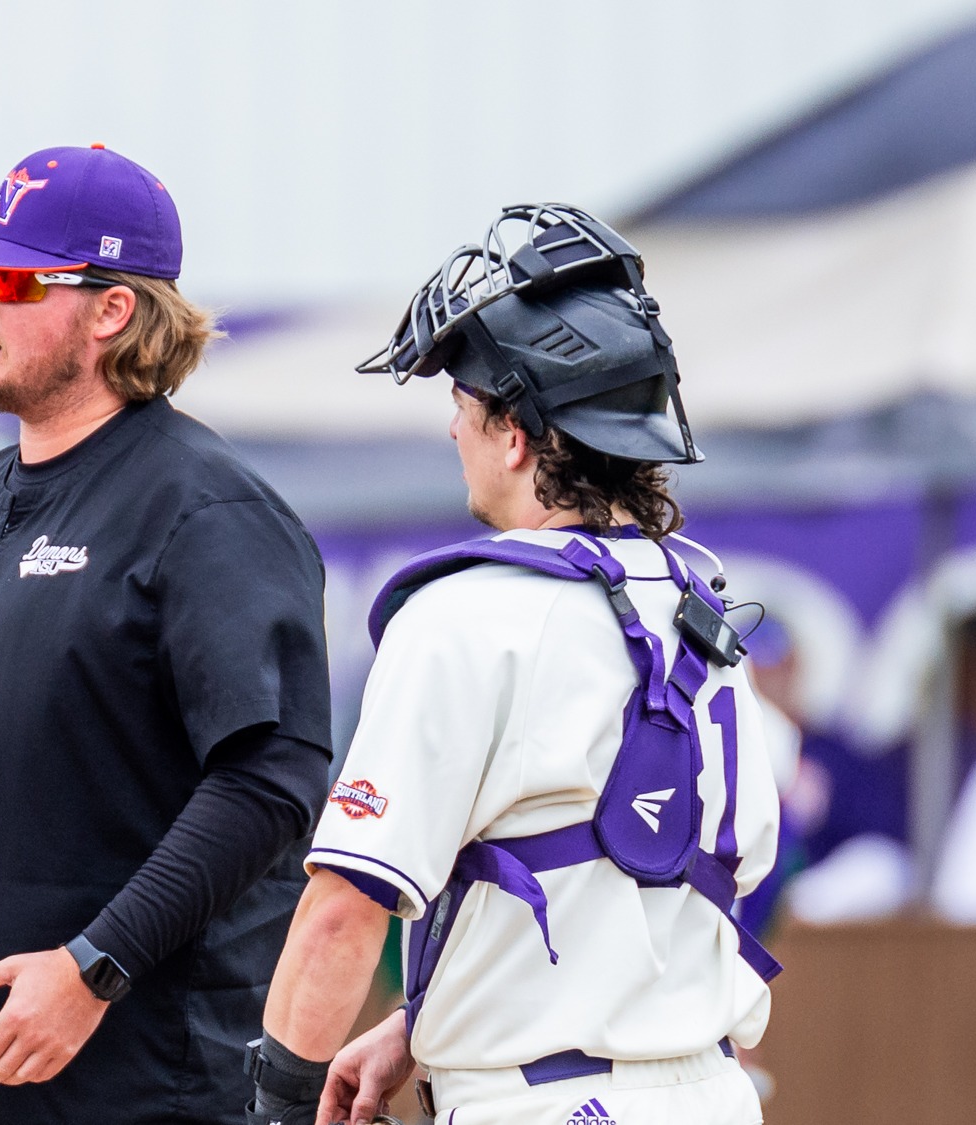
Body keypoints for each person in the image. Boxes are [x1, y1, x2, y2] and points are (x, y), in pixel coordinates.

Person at [0, 145, 333, 1125]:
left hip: (143, 1090)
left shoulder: (209, 511)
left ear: (111, 309)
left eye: (10, 281)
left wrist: (95, 965)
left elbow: (270, 779)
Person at [248, 205, 781, 1125]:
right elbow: (655, 881)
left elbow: (342, 912)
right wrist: (422, 1022)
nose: (453, 429)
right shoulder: (701, 606)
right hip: (710, 1093)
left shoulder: (463, 613)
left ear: (516, 434)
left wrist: (279, 1102)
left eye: (462, 402)